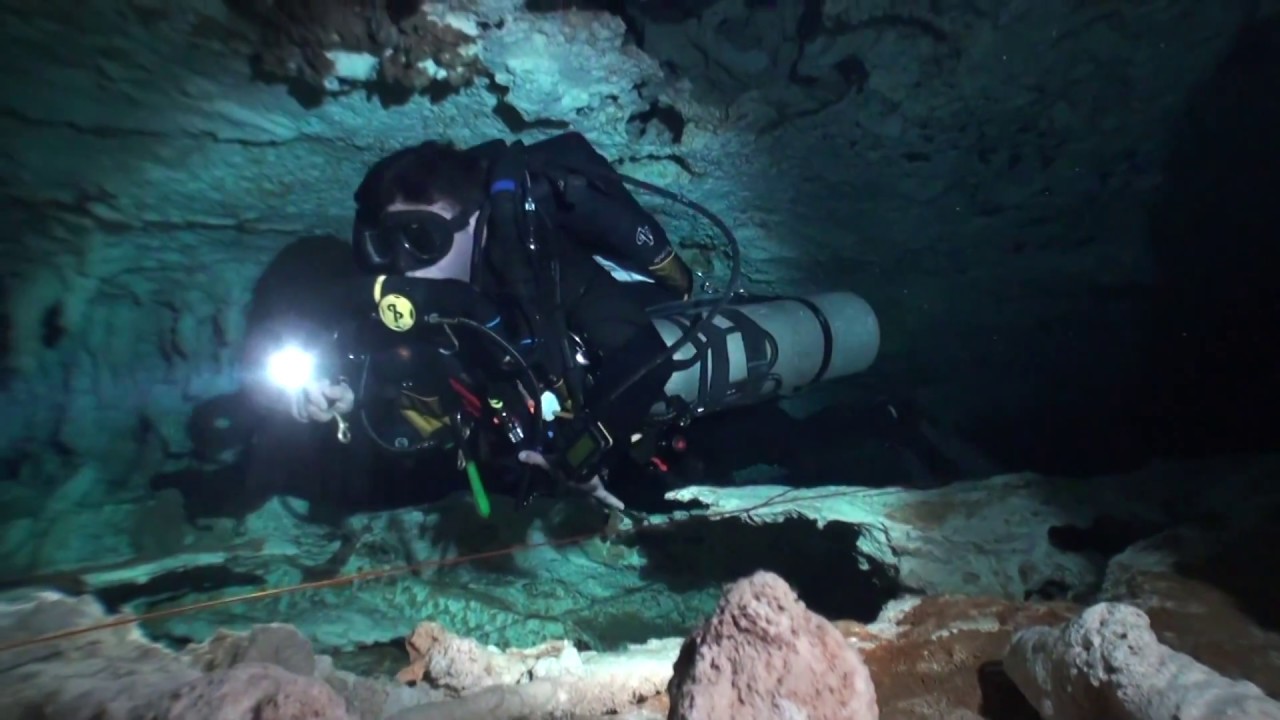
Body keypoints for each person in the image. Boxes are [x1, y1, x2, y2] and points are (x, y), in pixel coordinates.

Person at [289, 132, 696, 508]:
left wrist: (583, 454)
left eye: (421, 239)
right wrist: (341, 388)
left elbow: (645, 355)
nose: (403, 268)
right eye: (387, 245)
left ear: (475, 226)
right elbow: (375, 357)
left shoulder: (545, 269)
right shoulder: (408, 303)